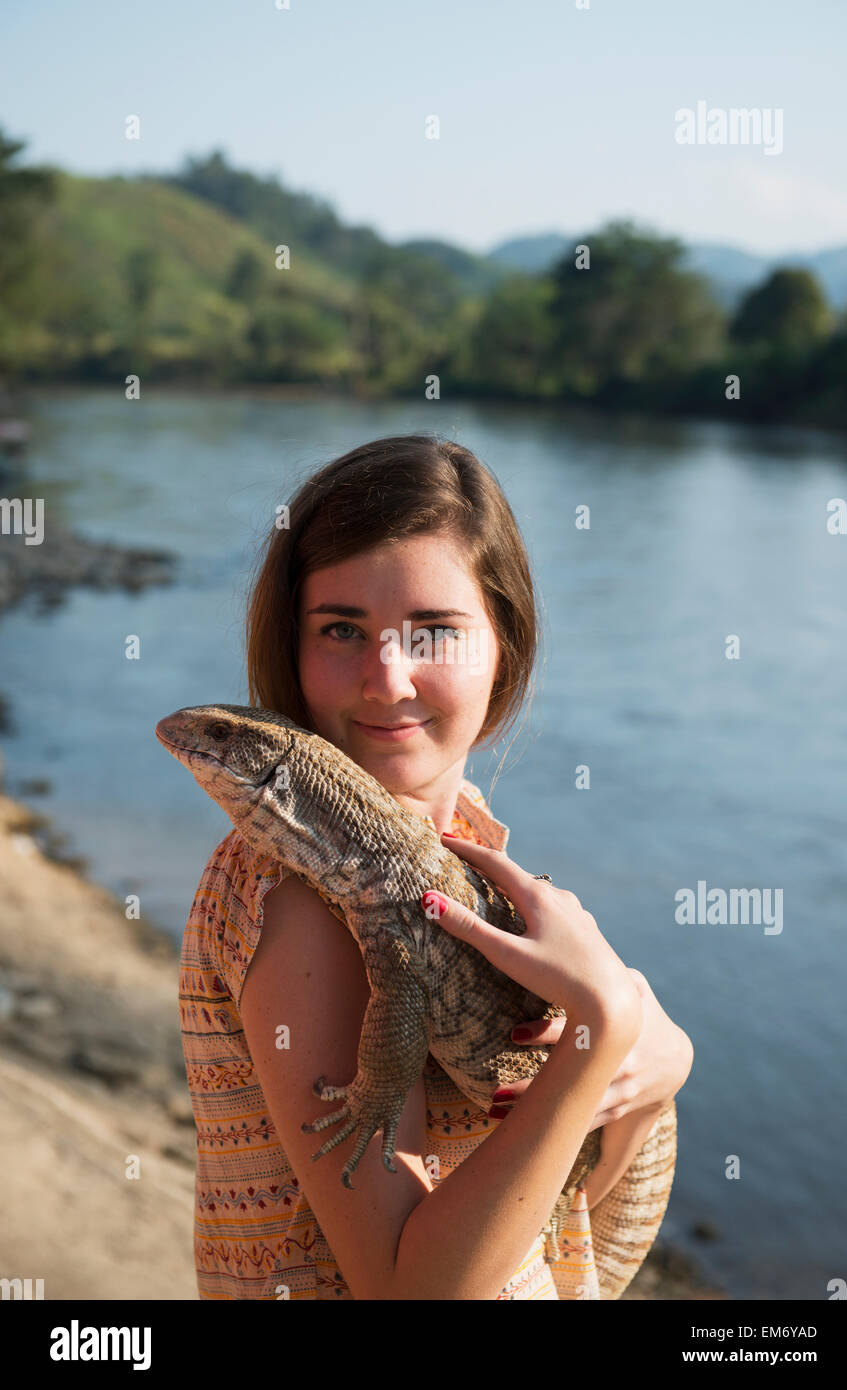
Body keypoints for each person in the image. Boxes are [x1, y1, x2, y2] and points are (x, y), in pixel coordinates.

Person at [179, 433, 693, 1299]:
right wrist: (598, 1035)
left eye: (433, 631)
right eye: (342, 627)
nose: (387, 679)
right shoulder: (303, 901)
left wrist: (656, 1060)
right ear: (291, 642)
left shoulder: (469, 849)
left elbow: (565, 1218)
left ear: (505, 647)